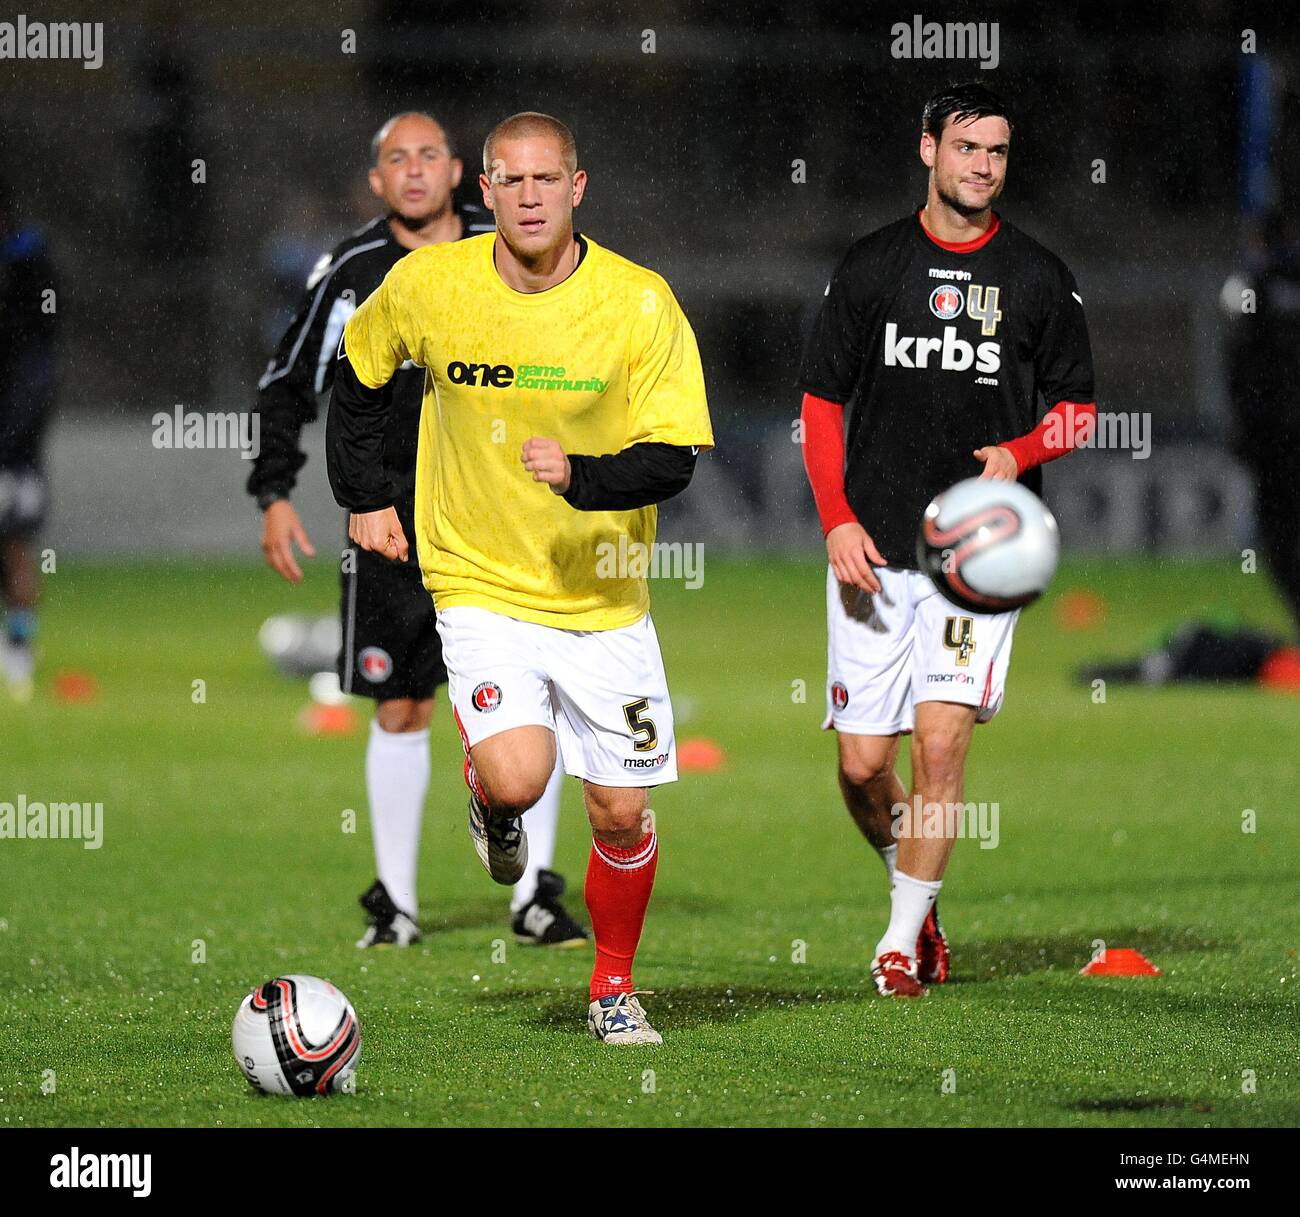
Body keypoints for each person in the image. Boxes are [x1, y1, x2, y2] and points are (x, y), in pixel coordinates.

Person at [326, 112, 713, 1044]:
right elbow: (360, 372)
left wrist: (582, 476)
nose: (531, 196)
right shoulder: (427, 284)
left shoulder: (639, 301)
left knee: (620, 813)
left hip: (603, 591)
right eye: (512, 181)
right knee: (522, 775)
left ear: (578, 189)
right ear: (485, 193)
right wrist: (365, 494)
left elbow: (675, 458)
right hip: (476, 578)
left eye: (549, 180)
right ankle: (491, 787)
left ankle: (611, 986)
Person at [247, 112, 585, 950]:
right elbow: (290, 382)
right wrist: (276, 492)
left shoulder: (505, 250)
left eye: (428, 154)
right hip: (391, 521)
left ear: (460, 170)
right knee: (400, 704)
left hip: (506, 515)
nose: (412, 170)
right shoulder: (354, 272)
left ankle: (534, 894)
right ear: (376, 180)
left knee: (534, 703)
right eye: (395, 158)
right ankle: (394, 903)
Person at [798, 82, 1097, 997]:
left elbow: (1079, 413)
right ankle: (918, 895)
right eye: (967, 149)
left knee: (939, 749)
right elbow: (818, 406)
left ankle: (898, 942)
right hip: (875, 550)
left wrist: (1020, 449)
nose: (983, 167)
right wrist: (837, 519)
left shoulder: (1039, 276)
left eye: (998, 153)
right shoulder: (872, 263)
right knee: (861, 765)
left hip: (979, 560)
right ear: (928, 150)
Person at [1223, 212, 1300, 639]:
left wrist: (1241, 427)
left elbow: (1239, 362)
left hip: (1272, 438)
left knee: (1279, 537)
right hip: (1281, 435)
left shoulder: (1252, 286)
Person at [0, 188, 59, 703]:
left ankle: (18, 655)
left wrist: (17, 441)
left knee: (16, 545)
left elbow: (39, 373)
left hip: (14, 454)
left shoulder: (27, 262)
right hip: (17, 445)